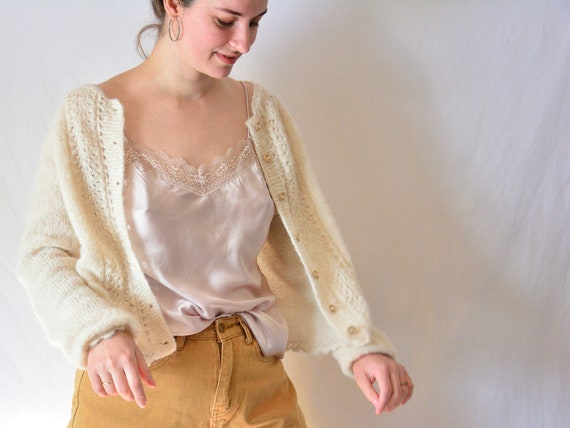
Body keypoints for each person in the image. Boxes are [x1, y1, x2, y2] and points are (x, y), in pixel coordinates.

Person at [17, 0, 413, 426]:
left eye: (255, 23)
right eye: (225, 21)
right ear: (174, 5)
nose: (243, 42)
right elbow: (45, 253)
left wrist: (359, 345)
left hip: (256, 381)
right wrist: (97, 332)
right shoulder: (90, 117)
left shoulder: (261, 112)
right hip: (141, 386)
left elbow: (311, 243)